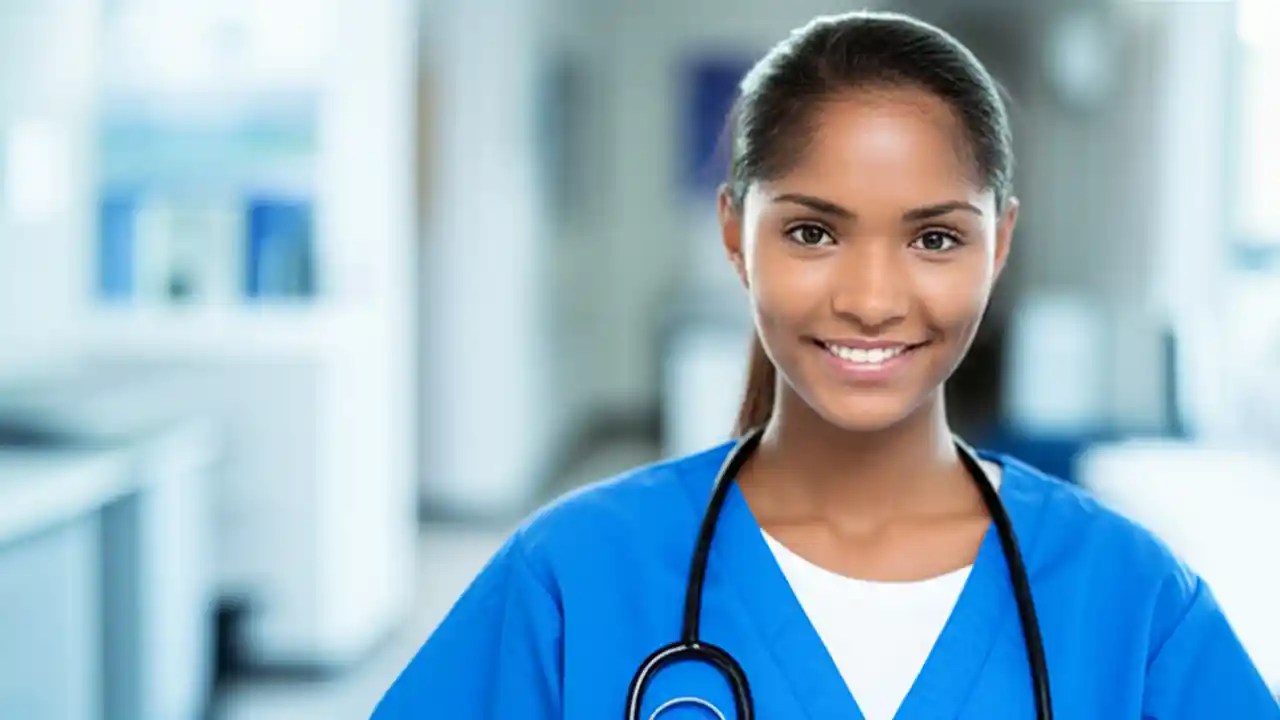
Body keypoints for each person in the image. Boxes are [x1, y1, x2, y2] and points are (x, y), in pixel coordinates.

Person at [374, 10, 1279, 719]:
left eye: (934, 237)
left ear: (999, 243)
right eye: (813, 232)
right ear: (736, 232)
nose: (873, 297)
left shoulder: (1129, 601)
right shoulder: (574, 578)